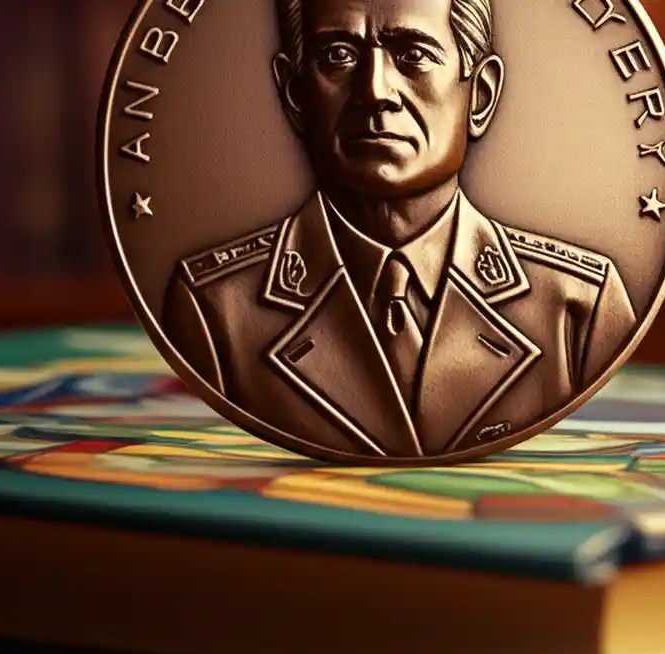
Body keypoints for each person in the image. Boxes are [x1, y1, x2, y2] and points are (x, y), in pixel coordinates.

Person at [162, 0, 638, 458]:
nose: (376, 91)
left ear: (481, 95)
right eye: (337, 56)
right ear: (295, 95)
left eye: (413, 55)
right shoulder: (214, 310)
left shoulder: (578, 307)